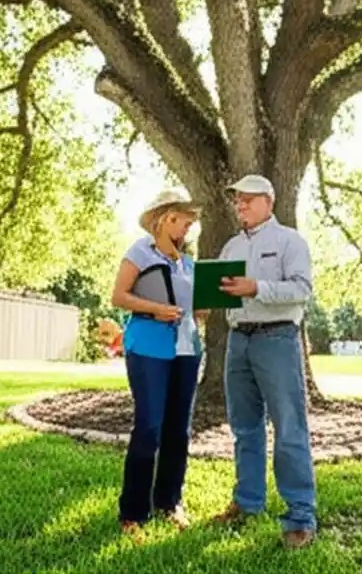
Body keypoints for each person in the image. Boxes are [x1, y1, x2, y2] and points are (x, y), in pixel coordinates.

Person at [212, 174, 318, 549]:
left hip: (278, 339)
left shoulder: (290, 241)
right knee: (244, 426)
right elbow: (222, 292)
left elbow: (302, 289)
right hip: (238, 341)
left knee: (289, 427)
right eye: (237, 201)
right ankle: (247, 502)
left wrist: (257, 288)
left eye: (247, 200)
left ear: (268, 202)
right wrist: (207, 298)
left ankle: (300, 516)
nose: (240, 206)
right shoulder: (230, 247)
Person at [109, 187, 204, 538]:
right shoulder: (139, 252)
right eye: (185, 222)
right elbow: (119, 296)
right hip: (148, 347)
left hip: (187, 350)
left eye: (192, 224)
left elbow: (195, 309)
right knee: (149, 427)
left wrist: (203, 309)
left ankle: (169, 502)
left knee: (179, 430)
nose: (188, 230)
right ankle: (132, 512)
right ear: (166, 219)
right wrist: (156, 309)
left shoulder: (189, 264)